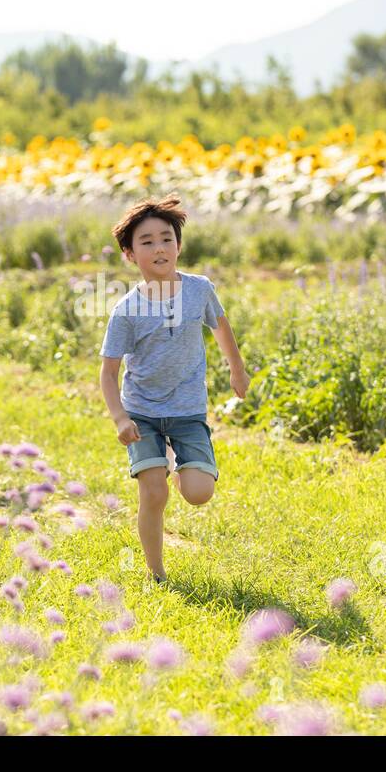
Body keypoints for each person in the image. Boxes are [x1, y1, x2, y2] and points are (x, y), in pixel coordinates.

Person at [99, 195, 250, 582]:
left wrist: (237, 370)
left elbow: (220, 326)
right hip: (142, 414)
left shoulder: (199, 290)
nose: (159, 247)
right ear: (130, 254)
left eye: (166, 238)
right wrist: (119, 418)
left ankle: (179, 461)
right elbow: (109, 372)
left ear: (179, 246)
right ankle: (157, 573)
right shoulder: (126, 311)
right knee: (154, 493)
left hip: (187, 411)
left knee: (199, 493)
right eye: (146, 242)